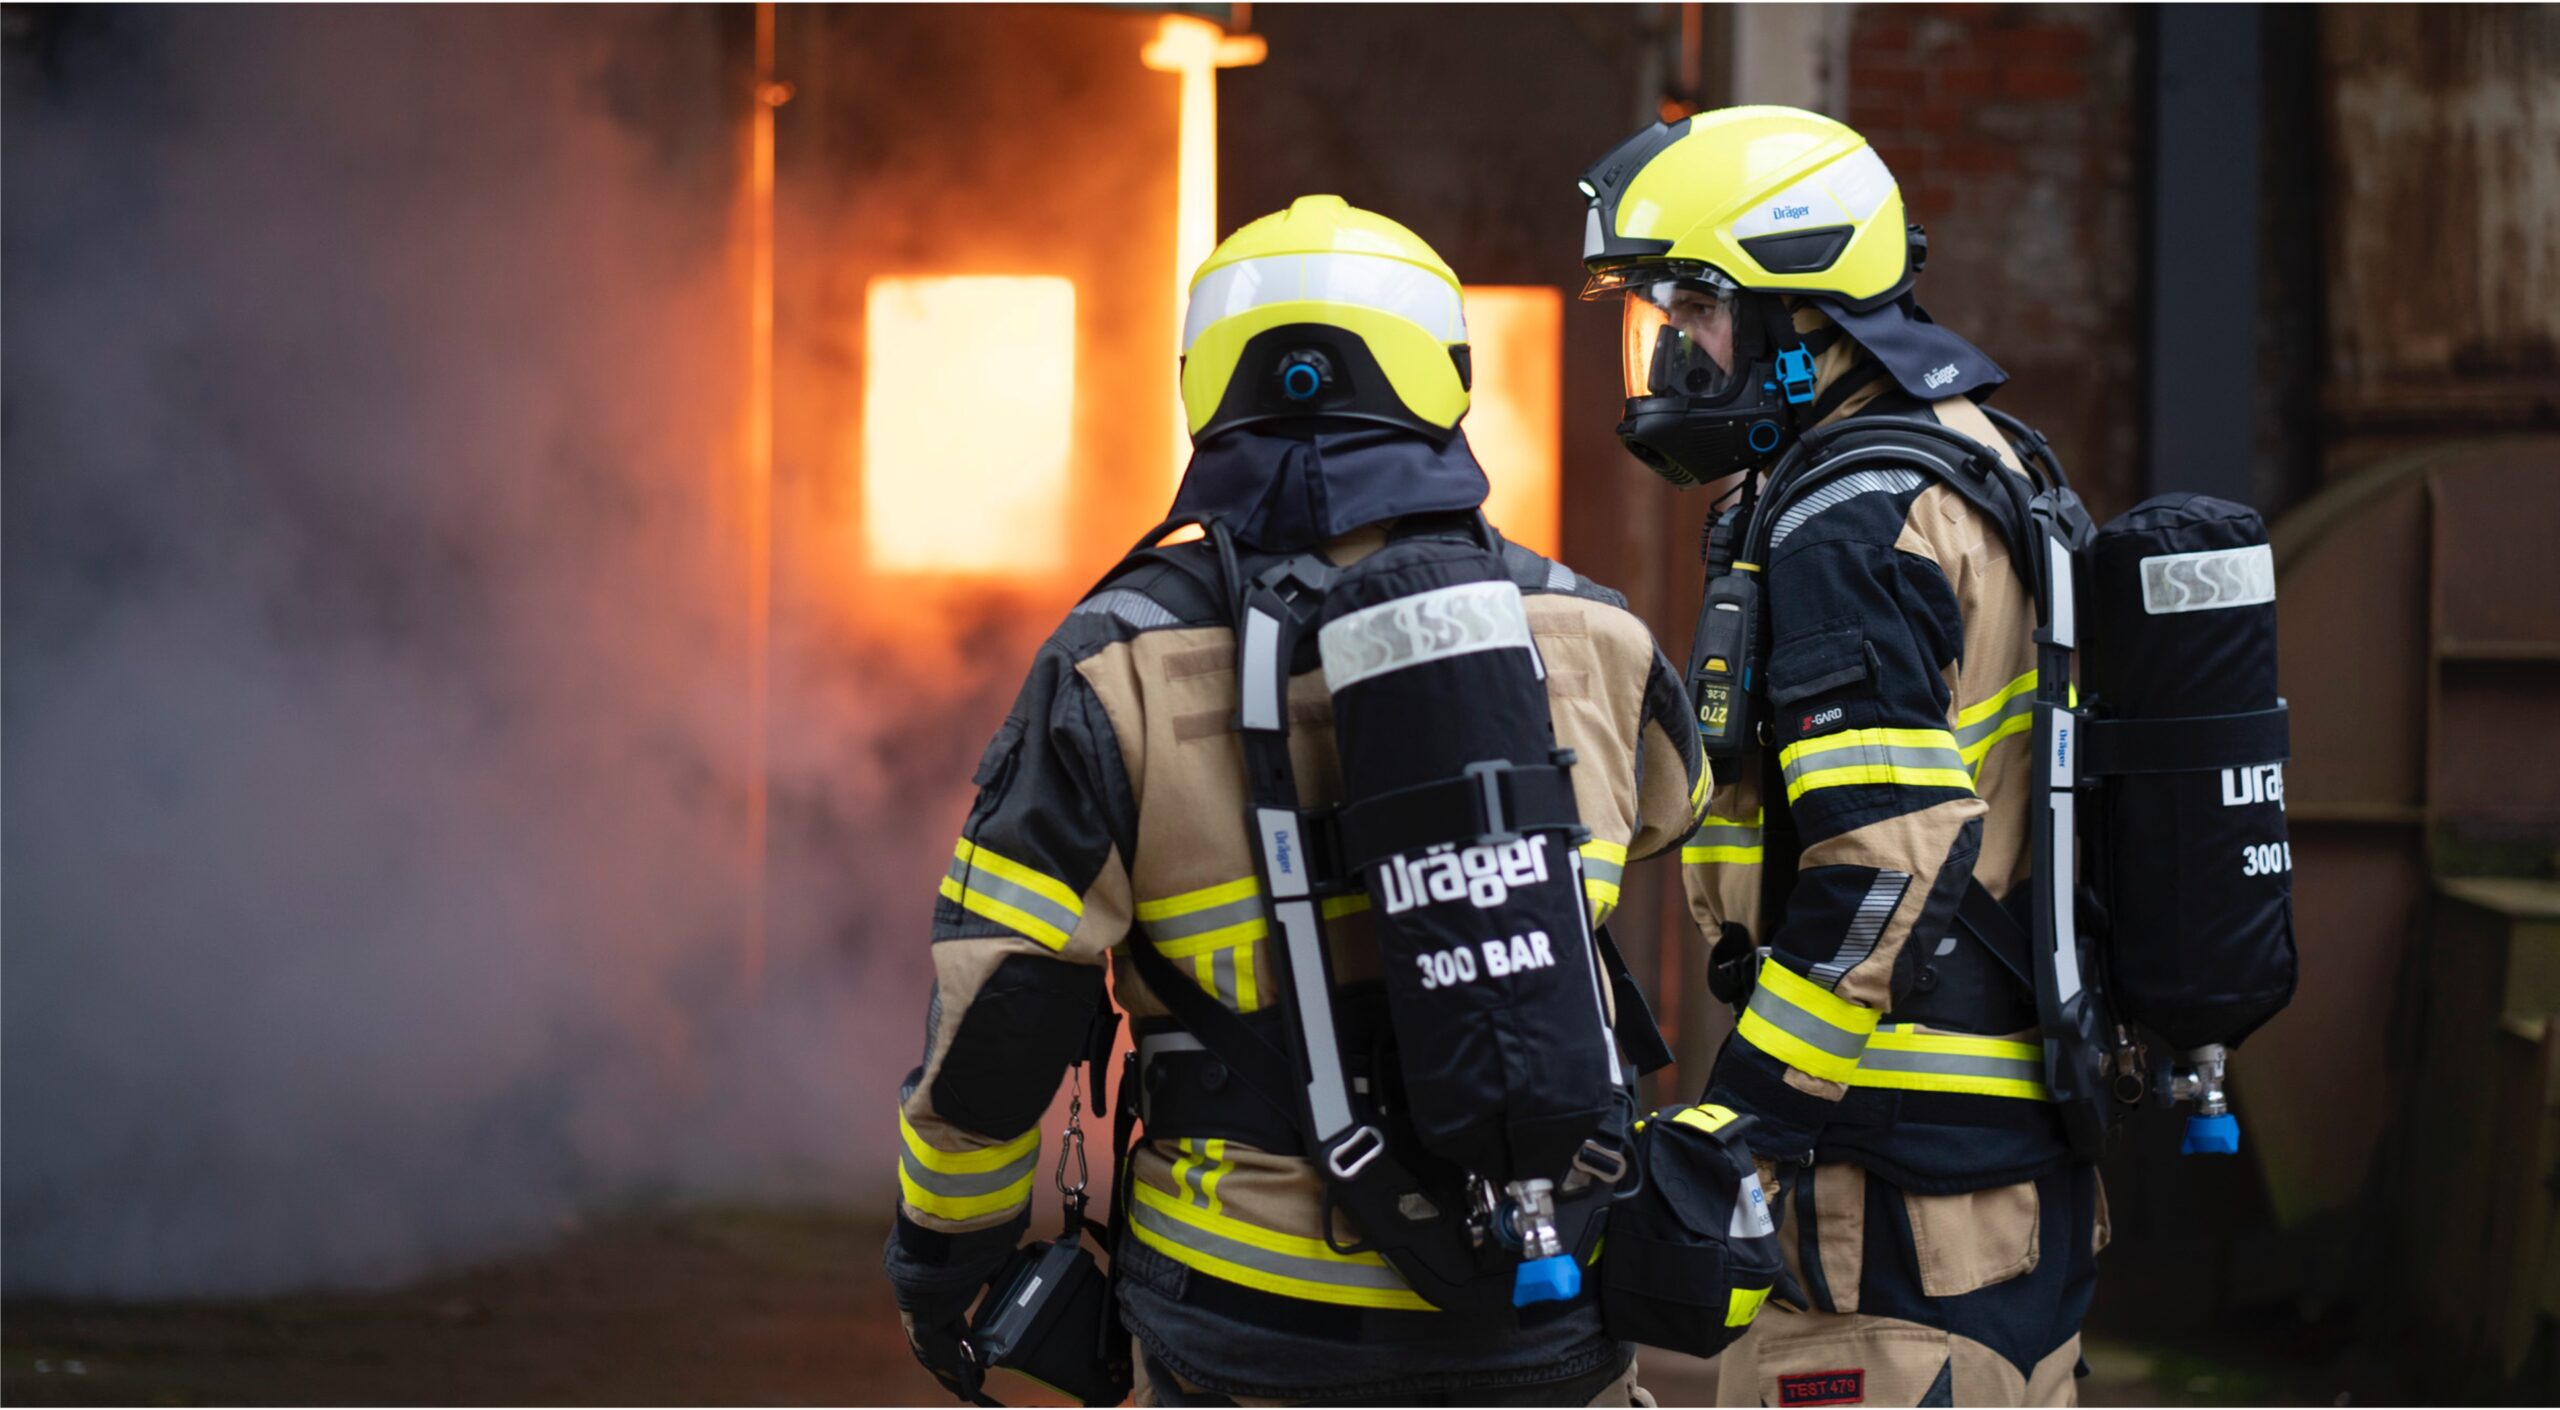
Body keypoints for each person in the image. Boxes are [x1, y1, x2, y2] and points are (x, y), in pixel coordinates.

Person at [886, 194, 1705, 1407]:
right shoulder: (1591, 631)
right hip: (1537, 1288)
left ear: (1206, 383)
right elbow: (1673, 812)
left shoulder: (1112, 660)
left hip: (1243, 1317)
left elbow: (1003, 1003)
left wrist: (942, 1252)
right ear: (1444, 377)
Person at [1574, 106, 2105, 1406]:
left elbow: (1888, 860)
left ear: (1801, 308)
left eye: (1698, 307)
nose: (1673, 347)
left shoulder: (1848, 521)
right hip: (2000, 1182)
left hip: (1883, 1200)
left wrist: (1743, 1119)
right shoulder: (1980, 455)